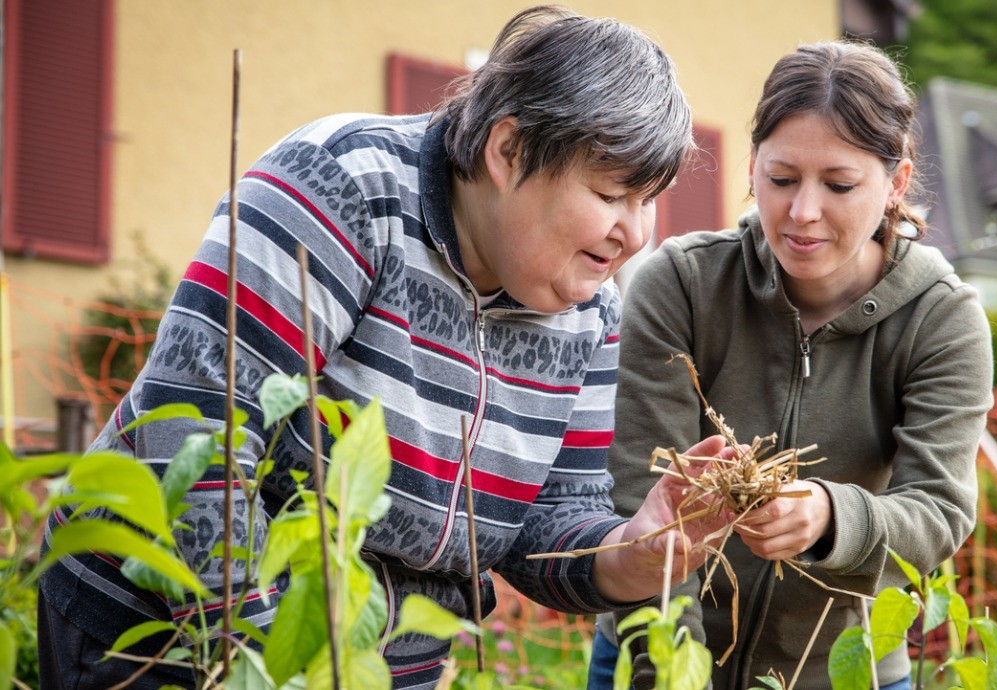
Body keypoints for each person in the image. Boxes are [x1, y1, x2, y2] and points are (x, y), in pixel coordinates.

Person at [37, 6, 734, 689]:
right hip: (167, 635)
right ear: (509, 150)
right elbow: (194, 429)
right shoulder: (339, 187)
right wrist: (271, 666)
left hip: (371, 663)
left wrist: (635, 553)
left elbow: (546, 524)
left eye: (650, 200)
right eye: (613, 193)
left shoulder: (590, 310)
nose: (636, 233)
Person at [589, 40, 994, 690]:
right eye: (781, 180)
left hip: (842, 673)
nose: (803, 212)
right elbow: (640, 496)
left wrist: (834, 517)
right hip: (656, 655)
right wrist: (672, 670)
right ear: (751, 166)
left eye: (839, 185)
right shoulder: (682, 284)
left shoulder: (940, 320)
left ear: (895, 182)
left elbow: (938, 511)